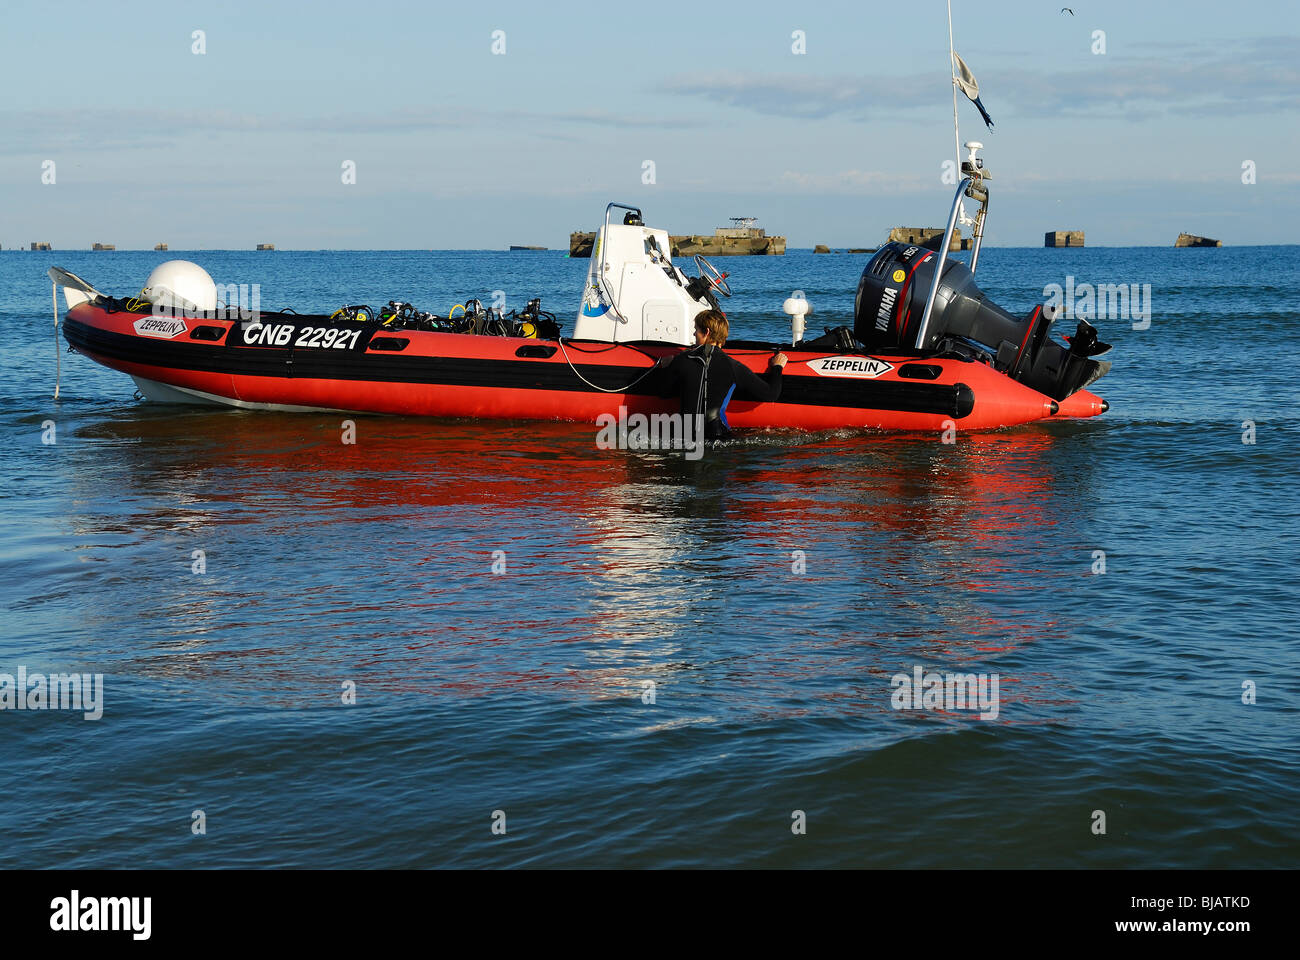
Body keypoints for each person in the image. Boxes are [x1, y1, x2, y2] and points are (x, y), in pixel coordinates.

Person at [663, 309, 787, 442]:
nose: (694, 333)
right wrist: (777, 367)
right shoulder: (733, 366)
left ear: (707, 332)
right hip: (717, 436)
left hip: (682, 435)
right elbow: (771, 394)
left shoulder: (681, 360)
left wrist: (666, 367)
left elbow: (664, 392)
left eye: (696, 329)